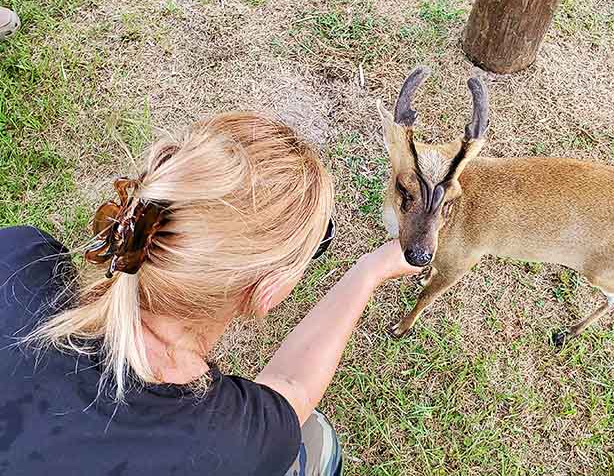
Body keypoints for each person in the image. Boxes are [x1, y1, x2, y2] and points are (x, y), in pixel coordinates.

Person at [0, 112, 418, 475]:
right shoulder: (226, 445)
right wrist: (367, 273)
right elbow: (293, 388)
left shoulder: (16, 257)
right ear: (265, 290)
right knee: (316, 442)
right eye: (317, 243)